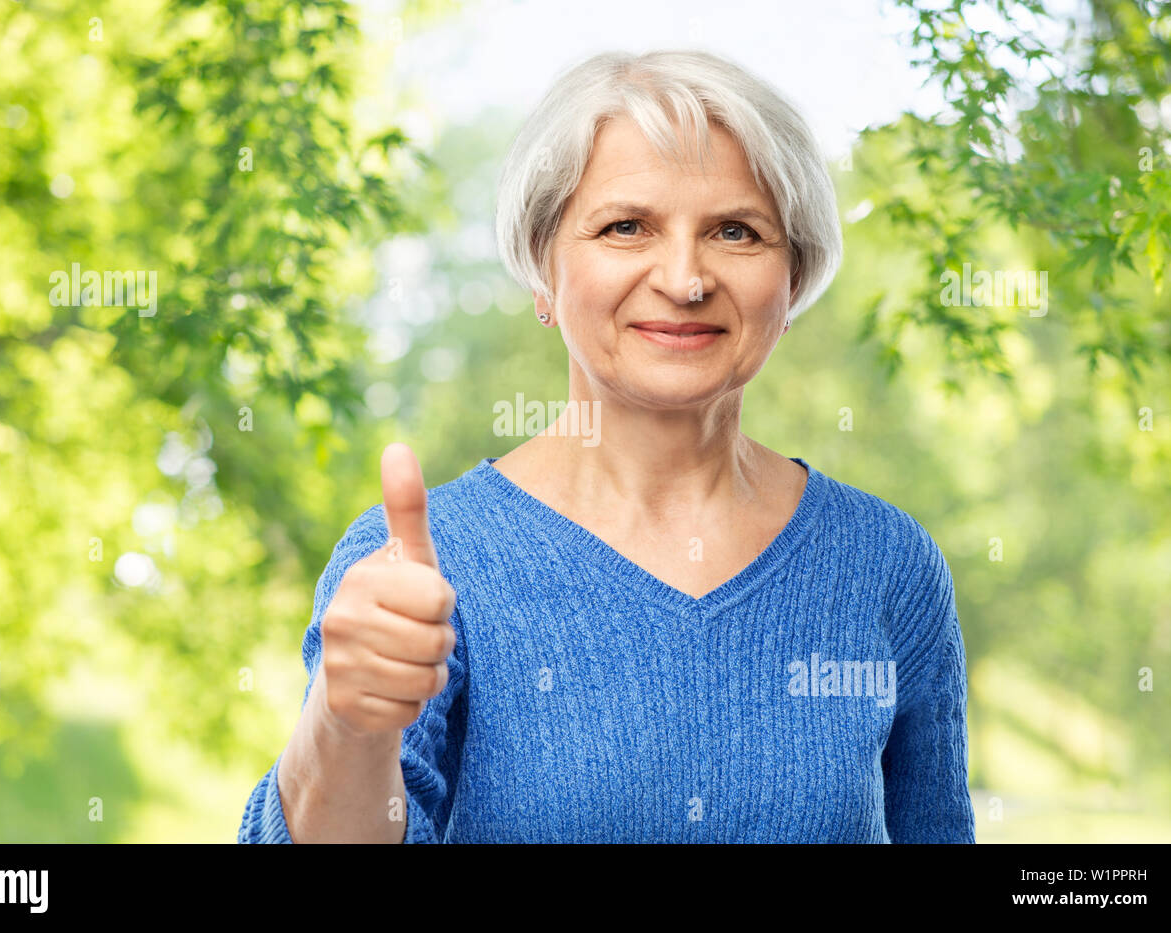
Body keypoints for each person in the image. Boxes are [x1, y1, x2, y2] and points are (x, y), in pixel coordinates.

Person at [238, 48, 974, 843]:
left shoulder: (887, 563)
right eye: (627, 227)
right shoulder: (417, 565)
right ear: (542, 270)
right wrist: (345, 726)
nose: (685, 278)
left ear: (792, 280)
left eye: (736, 230)